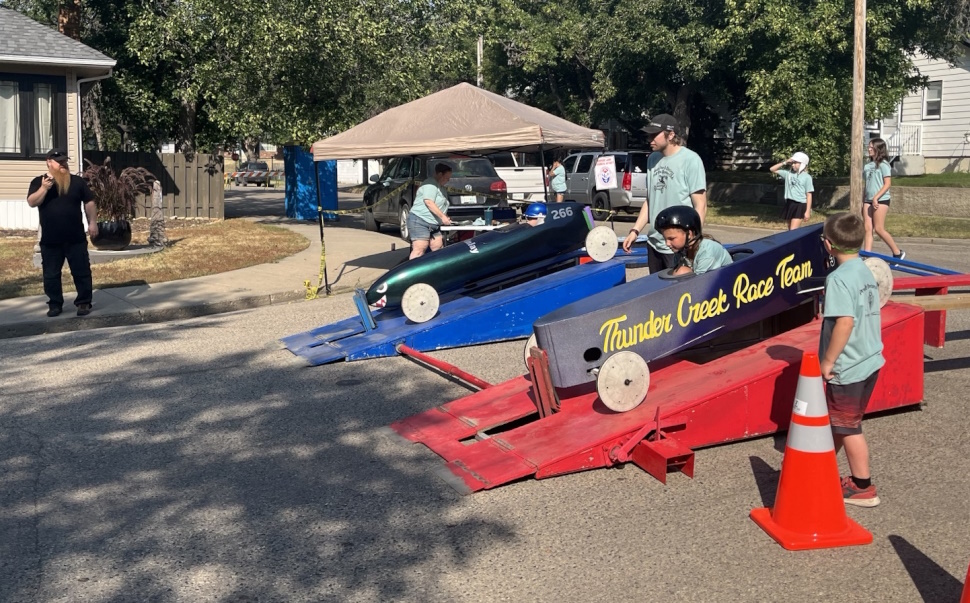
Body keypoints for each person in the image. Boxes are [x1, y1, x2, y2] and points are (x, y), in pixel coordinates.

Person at [819, 212, 885, 507]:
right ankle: (818, 468)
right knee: (840, 422)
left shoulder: (837, 279)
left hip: (849, 365)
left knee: (849, 428)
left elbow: (844, 322)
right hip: (870, 358)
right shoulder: (863, 270)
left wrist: (829, 361)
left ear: (827, 244)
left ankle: (862, 486)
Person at [622, 114, 708, 274]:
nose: (650, 139)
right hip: (654, 243)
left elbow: (700, 205)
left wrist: (692, 241)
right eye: (649, 135)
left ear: (671, 134)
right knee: (657, 293)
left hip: (678, 246)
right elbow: (650, 200)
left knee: (679, 295)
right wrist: (635, 231)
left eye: (654, 134)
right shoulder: (652, 159)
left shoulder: (691, 160)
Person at [26, 148, 98, 317]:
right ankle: (55, 304)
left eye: (65, 161)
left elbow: (89, 202)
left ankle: (84, 302)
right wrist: (44, 188)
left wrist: (93, 223)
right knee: (51, 274)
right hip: (51, 239)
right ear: (49, 162)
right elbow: (31, 202)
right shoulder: (38, 182)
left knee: (81, 271)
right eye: (60, 162)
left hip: (75, 237)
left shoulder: (78, 182)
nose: (64, 165)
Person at [654, 205, 731, 276]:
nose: (667, 243)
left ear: (689, 234)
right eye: (665, 239)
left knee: (681, 272)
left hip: (726, 285)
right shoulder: (681, 251)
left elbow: (701, 283)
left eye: (671, 239)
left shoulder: (707, 251)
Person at [862, 138, 905, 260]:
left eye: (871, 147)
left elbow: (887, 184)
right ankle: (867, 256)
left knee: (879, 229)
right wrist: (863, 201)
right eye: (869, 147)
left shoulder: (884, 165)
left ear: (878, 149)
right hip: (868, 200)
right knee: (867, 229)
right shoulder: (867, 166)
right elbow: (867, 185)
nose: (869, 149)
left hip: (881, 200)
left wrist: (876, 197)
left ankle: (897, 253)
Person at [407, 162, 454, 260]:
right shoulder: (431, 184)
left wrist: (445, 216)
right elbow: (429, 202)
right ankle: (414, 273)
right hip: (420, 220)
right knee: (419, 249)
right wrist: (443, 217)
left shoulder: (441, 188)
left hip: (434, 223)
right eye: (446, 178)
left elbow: (440, 206)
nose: (448, 180)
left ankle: (437, 270)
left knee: (438, 248)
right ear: (440, 174)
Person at [770, 151, 815, 230]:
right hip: (790, 203)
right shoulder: (788, 174)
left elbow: (809, 195)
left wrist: (807, 211)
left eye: (795, 163)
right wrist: (785, 162)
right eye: (792, 163)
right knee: (789, 230)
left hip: (800, 204)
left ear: (802, 164)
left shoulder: (807, 177)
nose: (793, 165)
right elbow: (772, 169)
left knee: (793, 230)